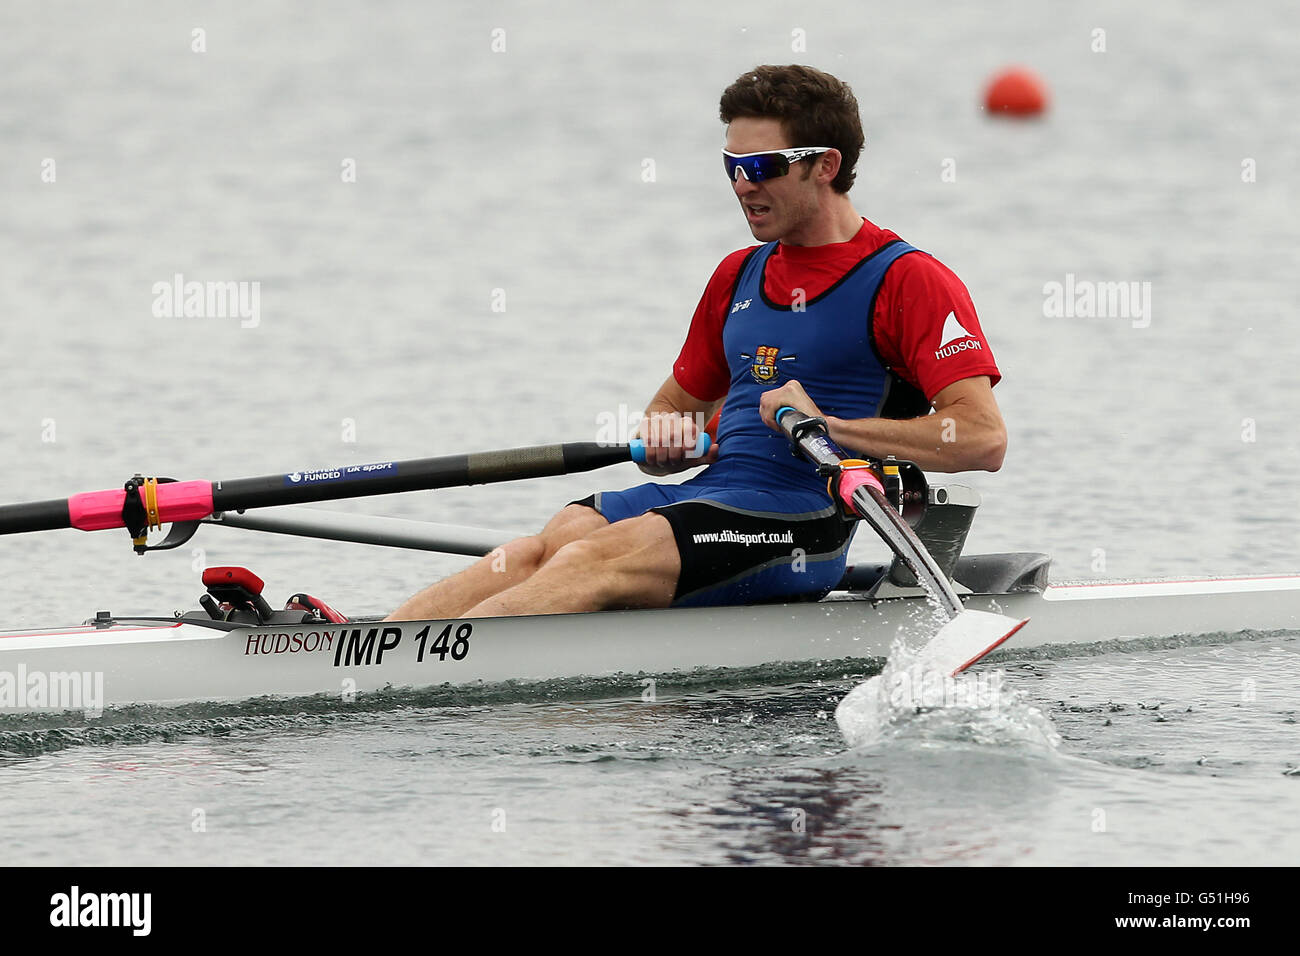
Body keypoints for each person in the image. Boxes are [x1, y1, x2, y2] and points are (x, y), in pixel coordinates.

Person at [387, 64, 1005, 622]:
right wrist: (665, 441)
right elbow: (671, 412)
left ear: (826, 165)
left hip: (804, 520)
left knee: (586, 560)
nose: (742, 185)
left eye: (762, 167)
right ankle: (378, 648)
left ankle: (425, 677)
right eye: (732, 166)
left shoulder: (910, 281)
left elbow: (981, 438)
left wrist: (831, 428)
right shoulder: (737, 275)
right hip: (712, 495)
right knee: (549, 541)